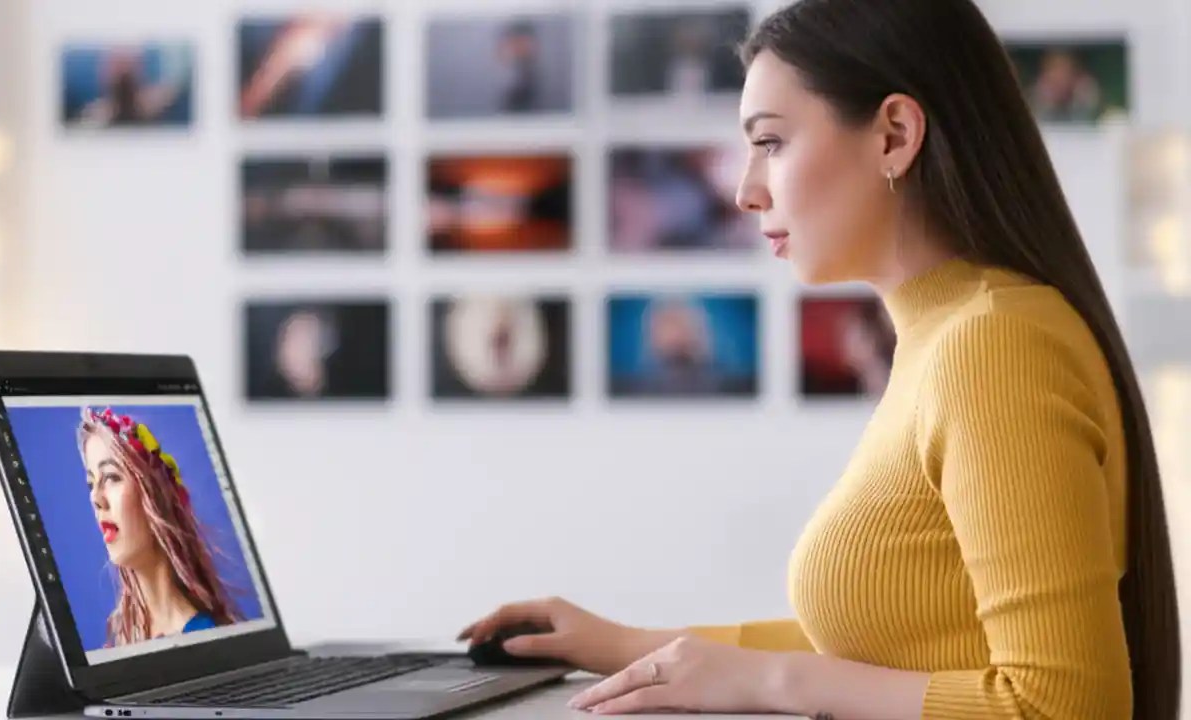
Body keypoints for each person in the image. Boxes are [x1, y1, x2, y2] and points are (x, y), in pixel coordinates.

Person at [457, 0, 1180, 717]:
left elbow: (1067, 705)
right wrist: (622, 645)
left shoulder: (994, 344)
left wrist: (771, 682)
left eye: (770, 143)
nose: (746, 191)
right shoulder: (951, 335)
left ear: (895, 136)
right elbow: (894, 644)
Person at [78, 408, 241, 646]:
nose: (96, 498)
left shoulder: (204, 639)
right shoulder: (123, 636)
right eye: (91, 483)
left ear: (154, 495)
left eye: (111, 477)